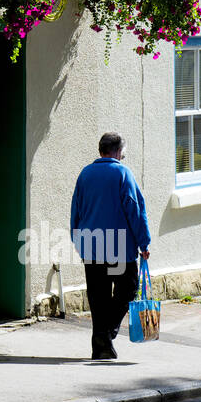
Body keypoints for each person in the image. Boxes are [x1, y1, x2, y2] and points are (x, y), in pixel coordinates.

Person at [69, 132, 151, 359]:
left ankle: (101, 346)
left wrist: (77, 240)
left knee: (98, 297)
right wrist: (144, 242)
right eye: (123, 153)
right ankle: (104, 335)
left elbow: (76, 210)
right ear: (118, 151)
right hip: (119, 248)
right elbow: (135, 210)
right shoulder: (122, 173)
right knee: (128, 289)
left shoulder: (85, 174)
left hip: (92, 246)